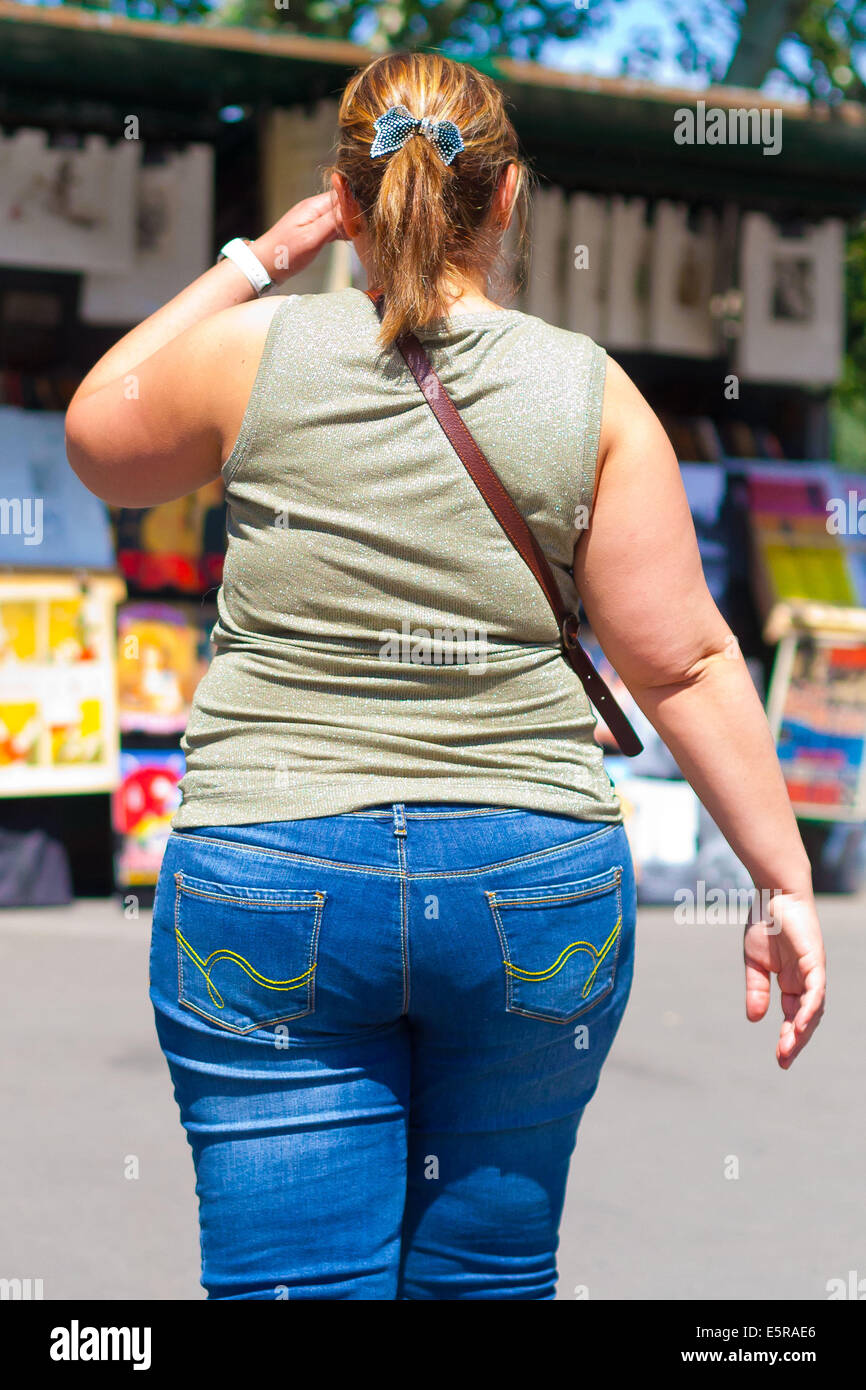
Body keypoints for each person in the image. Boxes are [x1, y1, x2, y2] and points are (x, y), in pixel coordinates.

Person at [66, 50, 825, 1301]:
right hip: (529, 883)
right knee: (488, 1283)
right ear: (510, 198)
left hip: (271, 863)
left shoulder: (252, 352)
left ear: (349, 201)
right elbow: (683, 661)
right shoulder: (590, 394)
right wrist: (781, 880)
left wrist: (256, 258)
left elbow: (99, 430)